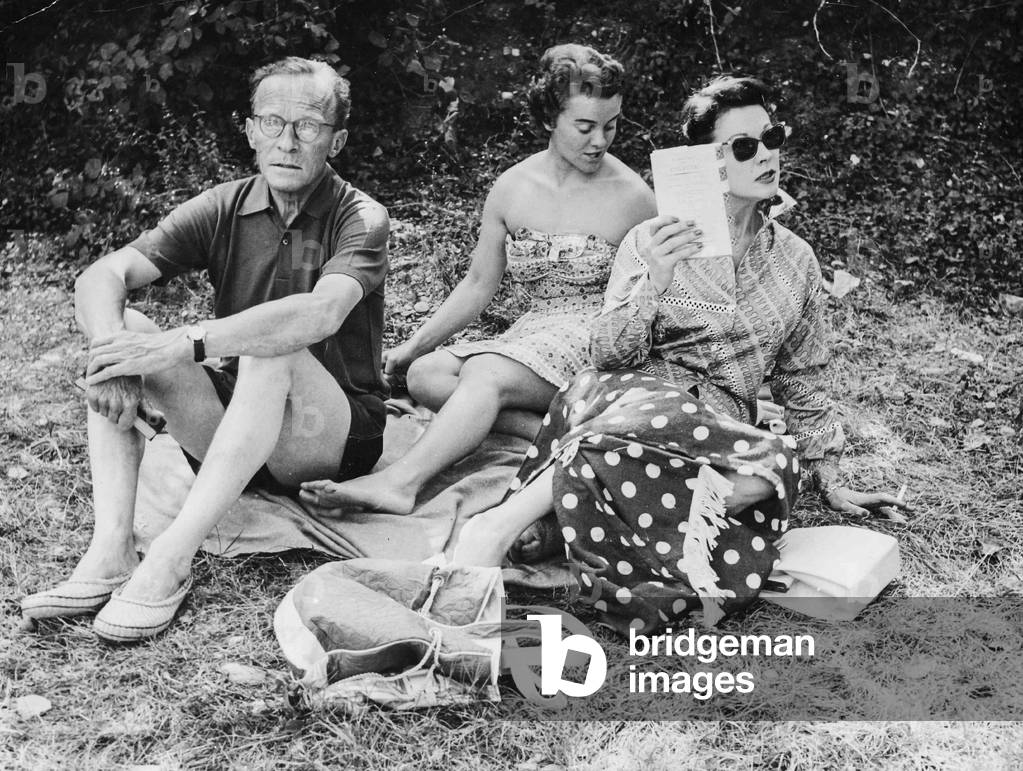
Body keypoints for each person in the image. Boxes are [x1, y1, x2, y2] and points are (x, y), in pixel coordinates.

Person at [452, 75, 910, 634]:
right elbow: (607, 353)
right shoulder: (651, 240)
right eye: (745, 147)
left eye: (773, 137)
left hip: (717, 430)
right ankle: (500, 528)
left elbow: (803, 375)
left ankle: (573, 512)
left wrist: (830, 476)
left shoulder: (797, 259)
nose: (766, 155)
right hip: (628, 398)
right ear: (708, 163)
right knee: (658, 418)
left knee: (777, 467)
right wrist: (654, 280)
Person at [20, 57, 390, 642]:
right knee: (127, 330)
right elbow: (103, 273)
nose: (287, 141)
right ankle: (112, 548)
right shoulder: (224, 204)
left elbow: (318, 314)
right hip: (240, 431)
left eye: (308, 127)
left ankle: (170, 559)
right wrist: (113, 353)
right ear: (249, 132)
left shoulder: (361, 216)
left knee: (275, 345)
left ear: (336, 140)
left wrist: (184, 344)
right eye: (271, 122)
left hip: (330, 435)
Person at [299, 44, 656, 516]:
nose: (600, 141)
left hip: (596, 337)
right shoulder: (512, 186)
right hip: (535, 332)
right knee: (427, 375)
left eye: (610, 126)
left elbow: (655, 299)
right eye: (585, 127)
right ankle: (562, 432)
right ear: (549, 119)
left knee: (483, 376)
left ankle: (400, 483)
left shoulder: (634, 197)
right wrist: (412, 349)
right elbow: (478, 283)